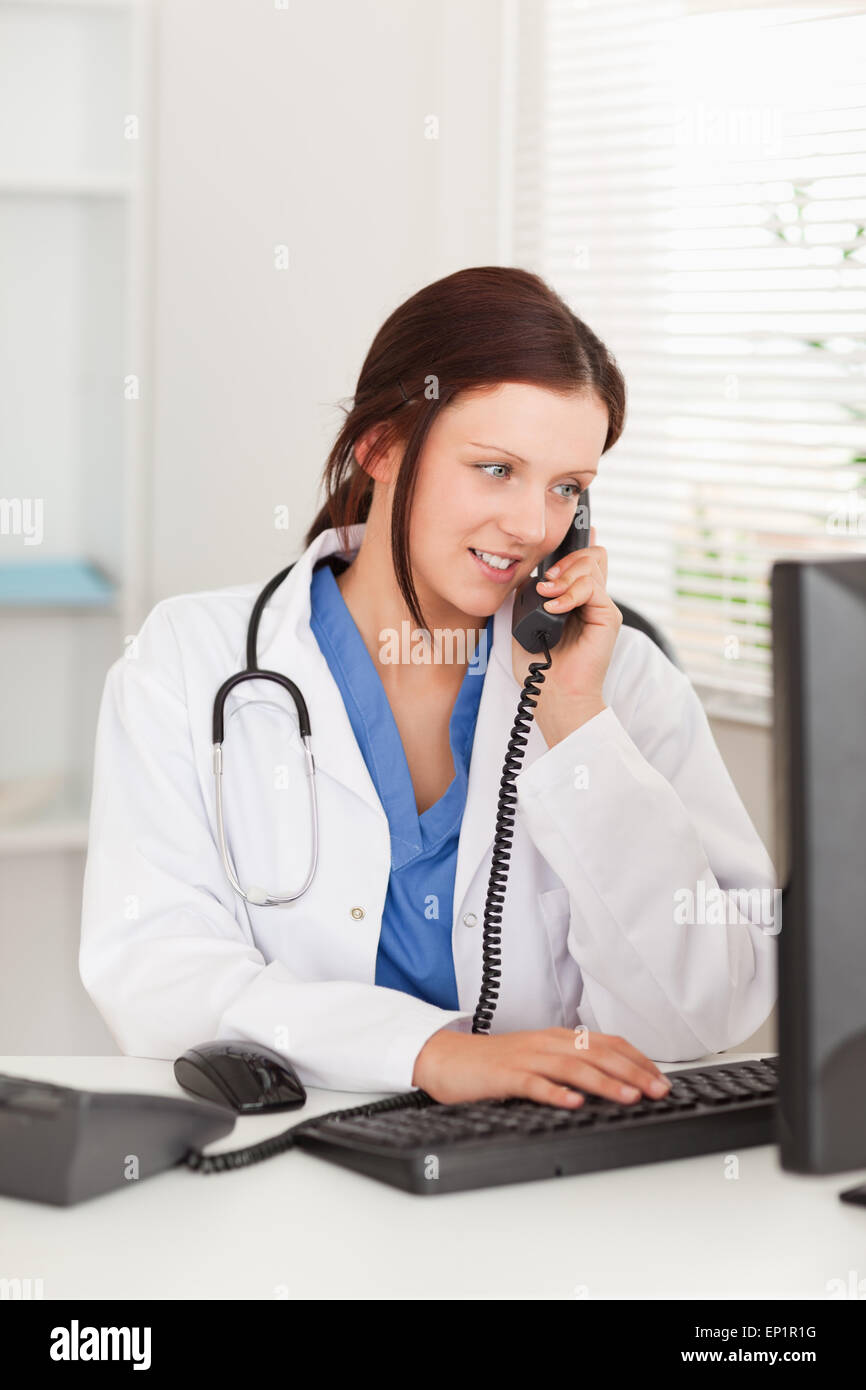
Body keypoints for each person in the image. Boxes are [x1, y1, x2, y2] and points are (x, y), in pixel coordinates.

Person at [79, 265, 777, 1109]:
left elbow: (702, 1017)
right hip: (282, 1179)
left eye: (567, 489)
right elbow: (152, 972)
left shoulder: (618, 684)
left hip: (553, 1181)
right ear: (380, 447)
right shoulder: (191, 661)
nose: (531, 527)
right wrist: (425, 1054)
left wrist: (575, 724)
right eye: (495, 469)